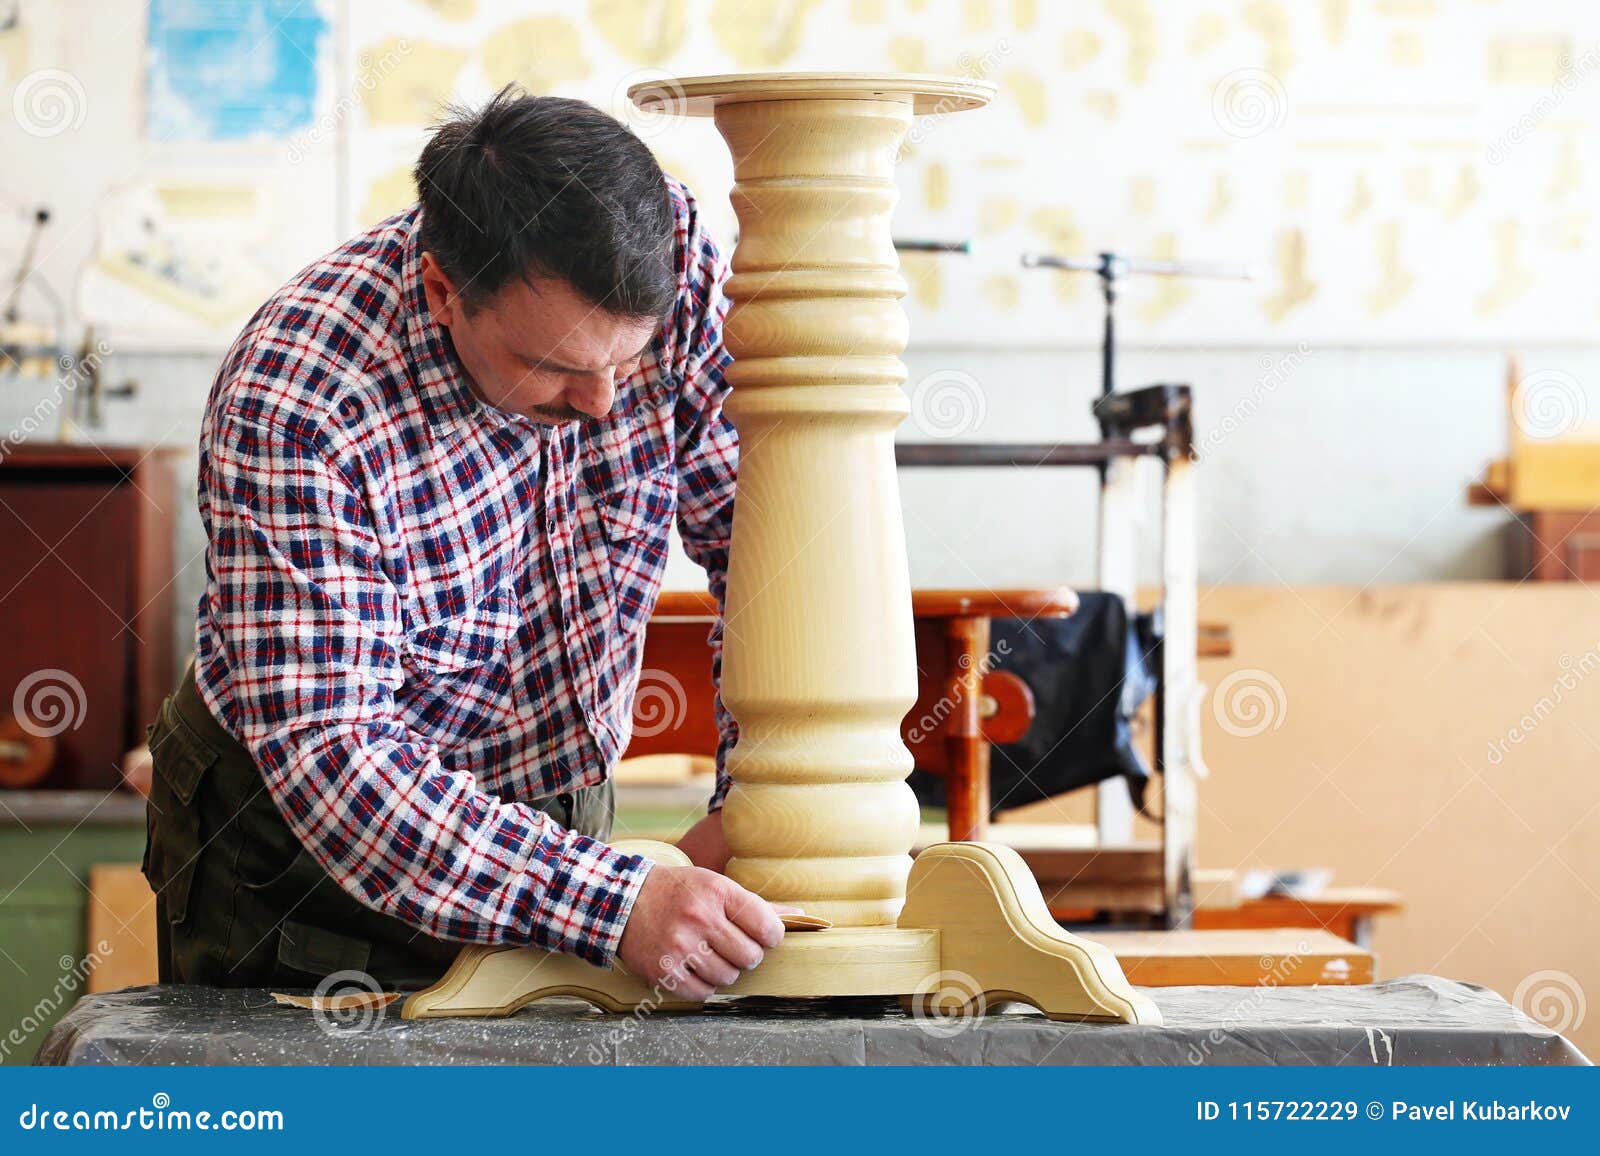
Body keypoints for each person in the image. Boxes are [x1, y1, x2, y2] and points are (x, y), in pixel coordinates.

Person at [142, 86, 784, 1000]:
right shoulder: (300, 400)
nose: (603, 404)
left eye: (627, 360)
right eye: (558, 366)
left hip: (555, 798)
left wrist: (747, 797)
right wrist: (611, 902)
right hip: (303, 853)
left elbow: (759, 551)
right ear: (445, 293)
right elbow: (337, 752)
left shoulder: (667, 256)